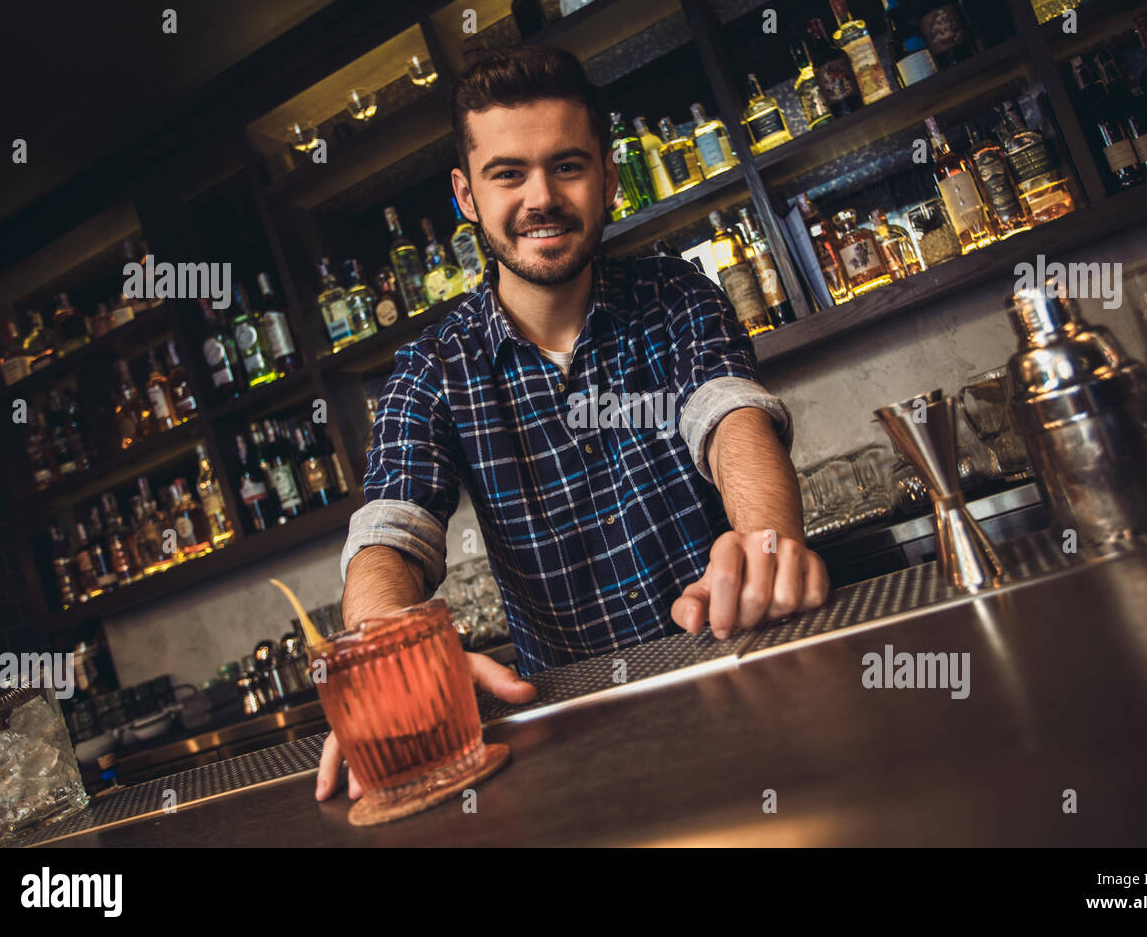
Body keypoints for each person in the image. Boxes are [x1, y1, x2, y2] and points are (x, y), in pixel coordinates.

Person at [316, 45, 828, 801]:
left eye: (568, 166)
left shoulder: (674, 294)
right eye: (507, 174)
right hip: (575, 736)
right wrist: (391, 660)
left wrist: (763, 545)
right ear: (466, 195)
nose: (541, 198)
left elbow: (731, 419)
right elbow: (391, 530)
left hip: (742, 663)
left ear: (609, 177)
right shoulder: (433, 368)